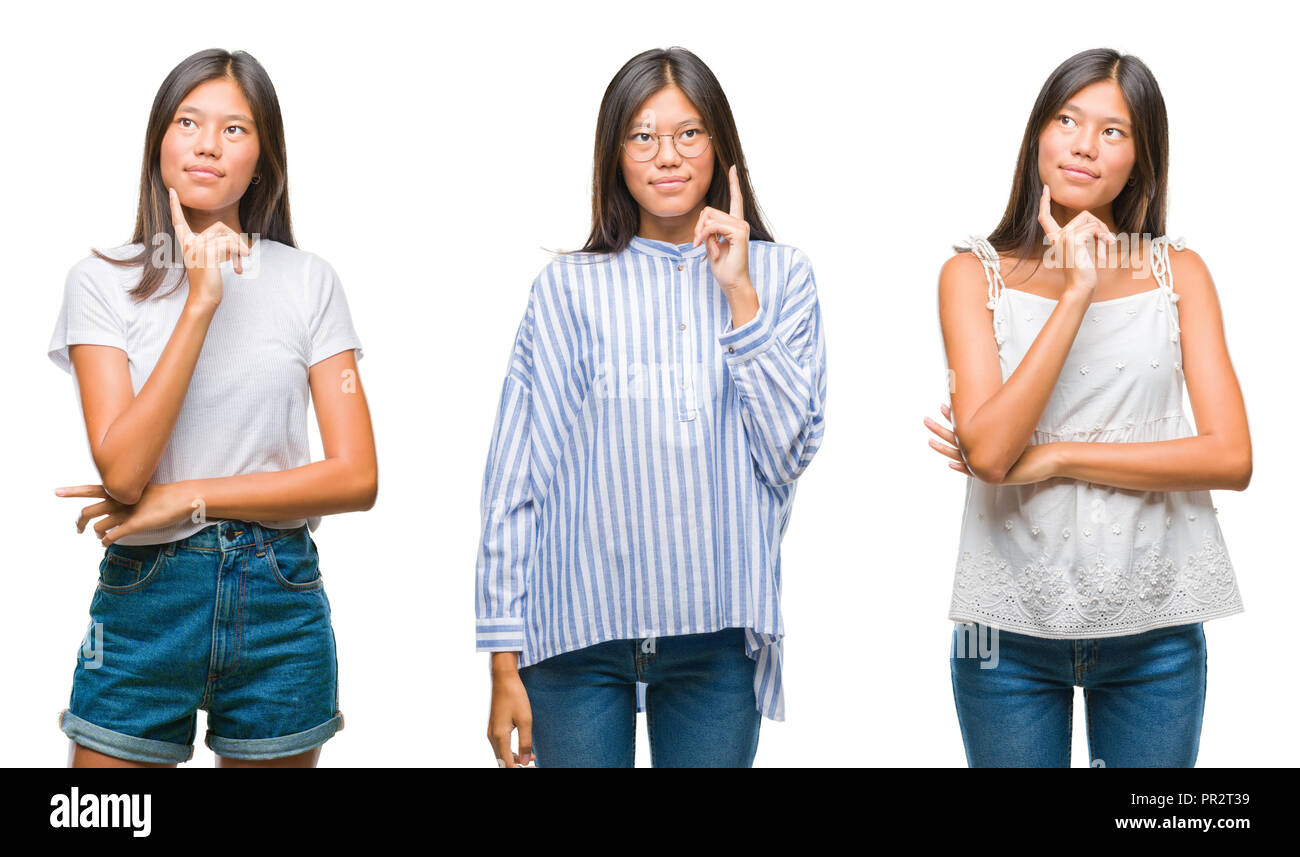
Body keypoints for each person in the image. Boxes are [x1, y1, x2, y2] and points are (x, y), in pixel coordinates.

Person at [475, 46, 827, 767]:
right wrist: (502, 659)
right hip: (576, 632)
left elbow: (788, 451)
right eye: (642, 136)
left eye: (688, 133)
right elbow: (515, 478)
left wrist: (739, 293)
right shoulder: (567, 288)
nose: (666, 155)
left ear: (722, 149)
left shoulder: (783, 276)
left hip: (718, 634)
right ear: (615, 156)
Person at [48, 48, 376, 768]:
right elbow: (126, 474)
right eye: (188, 121)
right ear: (159, 142)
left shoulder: (308, 280)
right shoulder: (100, 280)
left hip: (279, 596)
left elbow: (357, 477)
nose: (206, 143)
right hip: (145, 596)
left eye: (235, 129)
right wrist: (199, 300)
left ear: (262, 158)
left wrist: (189, 499)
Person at [926, 48, 1250, 767]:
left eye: (1113, 130)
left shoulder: (1179, 273)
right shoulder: (968, 275)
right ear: (1038, 133)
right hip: (1004, 638)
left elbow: (1230, 456)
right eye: (1067, 119)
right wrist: (1075, 293)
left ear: (1140, 157)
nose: (1082, 143)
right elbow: (989, 453)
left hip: (1157, 630)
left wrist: (1059, 454)